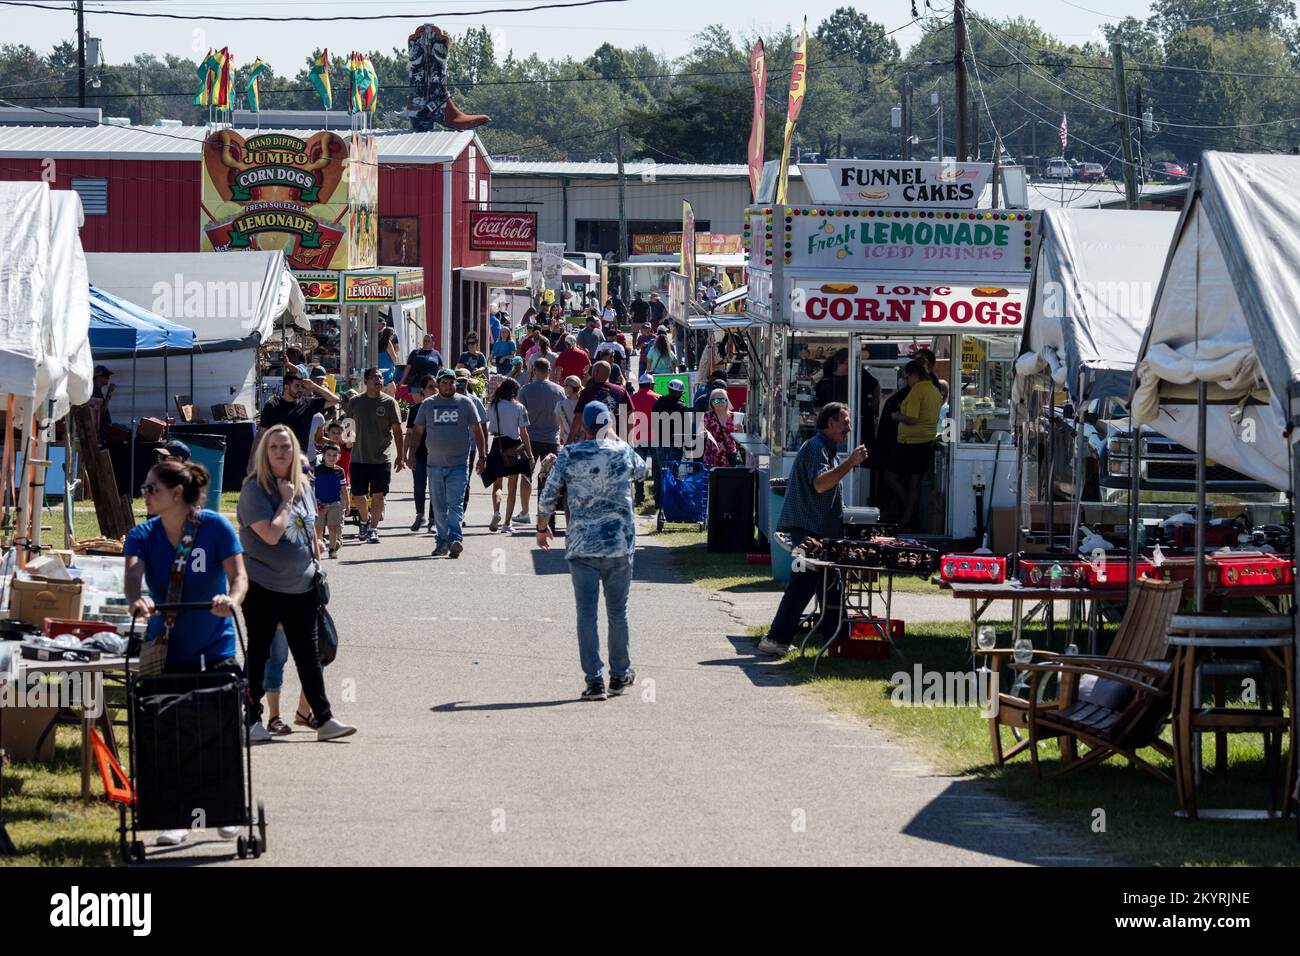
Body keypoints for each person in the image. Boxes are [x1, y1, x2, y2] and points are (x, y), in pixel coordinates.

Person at [124, 458, 249, 847]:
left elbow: (239, 576)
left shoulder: (214, 526)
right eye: (145, 488)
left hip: (215, 643)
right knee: (169, 733)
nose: (144, 494)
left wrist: (231, 600)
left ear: (176, 493)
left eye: (151, 489)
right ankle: (176, 818)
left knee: (219, 730)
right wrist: (137, 601)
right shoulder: (142, 533)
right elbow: (132, 574)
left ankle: (225, 810)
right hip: (168, 646)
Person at [237, 424, 356, 743]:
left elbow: (305, 527)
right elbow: (271, 534)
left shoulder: (302, 485)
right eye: (274, 447)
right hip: (264, 587)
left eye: (286, 447)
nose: (280, 452)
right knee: (260, 653)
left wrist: (313, 548)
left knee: (309, 654)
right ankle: (250, 719)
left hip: (302, 588)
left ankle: (323, 717)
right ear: (265, 453)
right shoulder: (255, 490)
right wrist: (286, 500)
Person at [536, 401, 647, 701]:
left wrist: (542, 527)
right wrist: (617, 438)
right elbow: (642, 471)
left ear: (583, 426)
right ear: (609, 423)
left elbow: (549, 493)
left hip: (582, 544)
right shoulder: (622, 451)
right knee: (617, 612)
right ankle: (620, 674)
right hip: (619, 545)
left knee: (586, 614)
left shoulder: (570, 454)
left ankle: (594, 680)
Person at [757, 403, 867, 655]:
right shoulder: (817, 448)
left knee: (832, 585)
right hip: (807, 531)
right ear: (830, 422)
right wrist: (851, 462)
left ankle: (838, 641)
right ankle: (775, 639)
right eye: (845, 422)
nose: (849, 428)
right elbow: (820, 484)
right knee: (803, 584)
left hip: (819, 530)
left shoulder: (827, 450)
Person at [407, 368, 487, 557]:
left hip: (459, 464)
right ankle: (442, 542)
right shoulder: (427, 405)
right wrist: (410, 455)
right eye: (444, 382)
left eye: (451, 383)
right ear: (438, 384)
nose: (448, 386)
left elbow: (477, 430)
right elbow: (417, 431)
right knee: (439, 505)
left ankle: (455, 539)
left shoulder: (465, 403)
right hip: (434, 464)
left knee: (455, 504)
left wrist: (483, 456)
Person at [348, 368, 404, 544]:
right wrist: (347, 441)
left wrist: (400, 456)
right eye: (374, 377)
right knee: (358, 495)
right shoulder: (355, 402)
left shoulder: (389, 403)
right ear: (366, 381)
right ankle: (364, 521)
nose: (378, 380)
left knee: (379, 495)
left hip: (381, 458)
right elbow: (348, 424)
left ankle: (373, 529)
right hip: (358, 457)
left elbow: (397, 431)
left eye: (380, 377)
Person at [886, 359, 942, 531]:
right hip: (925, 441)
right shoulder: (934, 389)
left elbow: (912, 419)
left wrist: (896, 417)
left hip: (910, 443)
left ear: (915, 375)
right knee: (915, 482)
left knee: (890, 476)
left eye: (907, 377)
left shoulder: (918, 390)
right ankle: (909, 517)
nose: (906, 381)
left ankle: (910, 512)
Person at [482, 377, 534, 534]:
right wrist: (530, 454)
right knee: (512, 488)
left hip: (497, 444)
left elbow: (486, 423)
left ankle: (496, 512)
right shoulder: (519, 408)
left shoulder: (493, 404)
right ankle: (506, 524)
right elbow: (524, 433)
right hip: (514, 447)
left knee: (498, 485)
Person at [517, 357, 566, 523]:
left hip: (530, 438)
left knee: (526, 475)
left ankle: (524, 512)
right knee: (551, 478)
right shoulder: (559, 390)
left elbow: (521, 414)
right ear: (549, 370)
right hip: (551, 439)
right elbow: (562, 414)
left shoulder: (525, 390)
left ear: (534, 370)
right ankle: (548, 514)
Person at [257, 367, 341, 457]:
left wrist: (313, 386)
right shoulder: (272, 405)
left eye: (302, 386)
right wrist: (253, 460)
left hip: (299, 462)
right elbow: (261, 435)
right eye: (297, 386)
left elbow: (335, 400)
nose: (300, 389)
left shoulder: (308, 404)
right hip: (276, 460)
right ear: (286, 387)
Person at [454, 368, 489, 514]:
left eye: (464, 379)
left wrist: (484, 452)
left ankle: (460, 513)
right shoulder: (446, 399)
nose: (461, 382)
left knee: (464, 481)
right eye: (458, 379)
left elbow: (483, 427)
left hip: (470, 448)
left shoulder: (475, 401)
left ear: (468, 381)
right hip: (450, 447)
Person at [569, 361, 630, 443]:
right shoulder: (621, 391)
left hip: (592, 443)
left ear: (596, 373)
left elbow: (578, 418)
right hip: (616, 442)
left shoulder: (587, 392)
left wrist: (569, 440)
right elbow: (630, 415)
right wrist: (628, 440)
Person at [650, 378, 687, 505]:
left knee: (661, 472)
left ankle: (659, 501)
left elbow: (653, 422)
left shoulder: (658, 403)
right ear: (679, 393)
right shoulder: (681, 407)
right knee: (673, 473)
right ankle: (670, 501)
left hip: (660, 442)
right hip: (675, 445)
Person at [404, 377, 431, 532]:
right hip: (419, 453)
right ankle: (420, 515)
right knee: (419, 486)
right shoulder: (415, 409)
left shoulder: (440, 407)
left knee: (436, 488)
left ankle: (433, 520)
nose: (434, 389)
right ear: (423, 390)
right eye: (430, 386)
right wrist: (405, 455)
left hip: (437, 454)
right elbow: (408, 434)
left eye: (435, 386)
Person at [628, 373, 659, 505]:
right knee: (657, 469)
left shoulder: (632, 398)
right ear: (651, 385)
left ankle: (639, 497)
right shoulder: (658, 398)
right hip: (655, 438)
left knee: (639, 468)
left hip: (638, 437)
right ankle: (658, 497)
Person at [314, 441, 346, 558]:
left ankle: (332, 550)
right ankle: (317, 550)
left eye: (334, 455)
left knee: (333, 529)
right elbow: (310, 486)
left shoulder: (340, 471)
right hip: (319, 504)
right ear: (323, 456)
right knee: (318, 529)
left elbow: (343, 489)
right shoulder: (316, 470)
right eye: (329, 454)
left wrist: (346, 504)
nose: (331, 457)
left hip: (335, 504)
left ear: (339, 457)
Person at [701, 388, 740, 469]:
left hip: (730, 457)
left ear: (727, 401)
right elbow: (701, 434)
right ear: (712, 402)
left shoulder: (734, 416)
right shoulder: (707, 416)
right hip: (712, 456)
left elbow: (739, 438)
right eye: (717, 400)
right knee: (712, 481)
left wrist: (741, 431)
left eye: (723, 400)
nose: (720, 403)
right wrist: (703, 434)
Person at [91, 364, 116, 446]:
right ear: (98, 377)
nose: (108, 378)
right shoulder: (95, 391)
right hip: (100, 432)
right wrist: (109, 394)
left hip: (100, 431)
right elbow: (102, 411)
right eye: (106, 376)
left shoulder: (96, 390)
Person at [557, 375, 581, 446]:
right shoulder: (585, 404)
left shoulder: (560, 405)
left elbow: (561, 428)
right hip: (582, 440)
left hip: (567, 441)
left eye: (564, 385)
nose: (563, 387)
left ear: (569, 387)